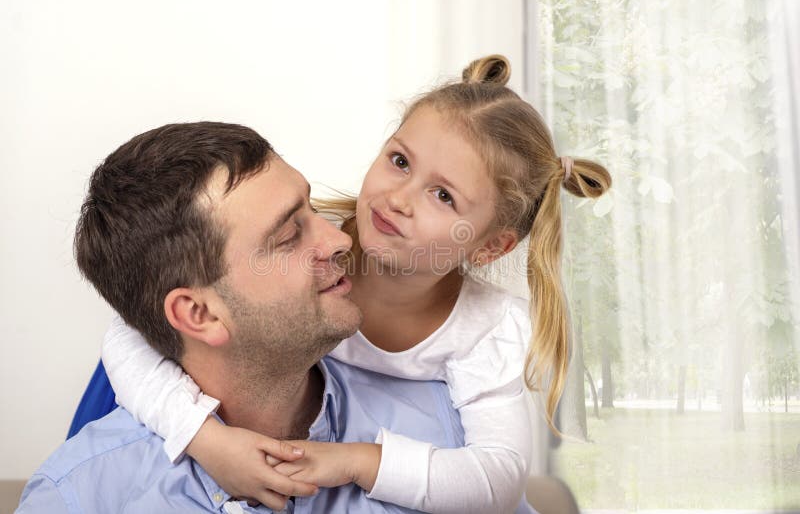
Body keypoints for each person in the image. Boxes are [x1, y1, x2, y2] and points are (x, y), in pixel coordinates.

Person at [88, 56, 612, 512]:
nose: (399, 198)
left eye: (443, 196)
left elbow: (496, 479)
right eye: (399, 161)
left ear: (489, 247)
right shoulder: (317, 251)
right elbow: (134, 327)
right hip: (171, 394)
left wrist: (360, 461)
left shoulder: (486, 328)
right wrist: (206, 441)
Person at [16, 122, 497, 513]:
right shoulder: (77, 498)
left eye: (311, 210)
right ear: (199, 314)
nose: (341, 241)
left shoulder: (446, 437)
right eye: (290, 236)